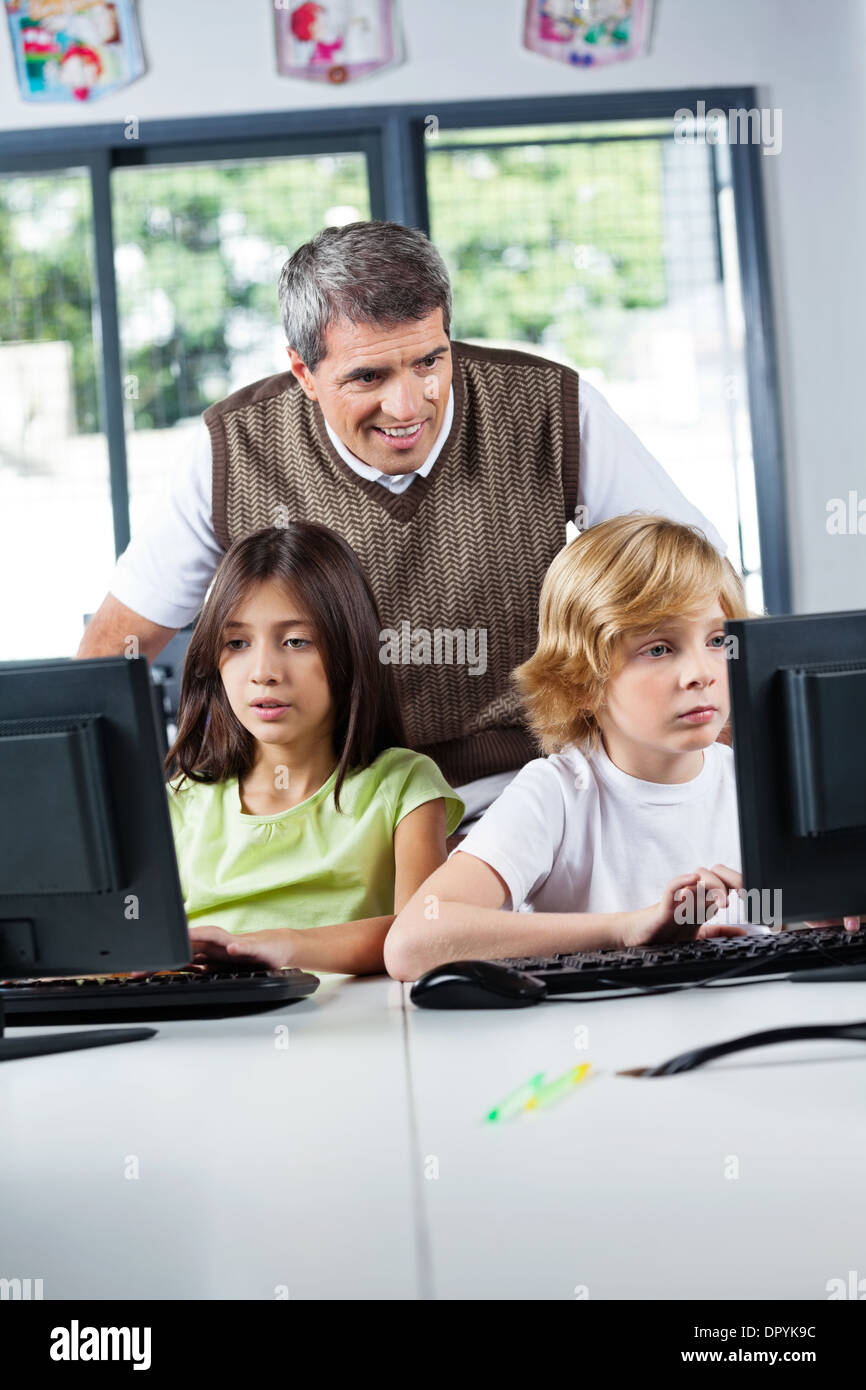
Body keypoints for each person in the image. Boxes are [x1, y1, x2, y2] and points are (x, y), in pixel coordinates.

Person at [78, 220, 729, 828]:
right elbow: (112, 653)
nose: (407, 404)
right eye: (369, 375)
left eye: (428, 361)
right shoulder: (235, 446)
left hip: (530, 784)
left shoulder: (549, 407)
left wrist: (730, 798)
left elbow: (705, 591)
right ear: (304, 371)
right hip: (332, 801)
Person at [383, 514, 862, 982]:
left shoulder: (762, 782)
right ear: (582, 682)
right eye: (659, 648)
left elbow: (794, 923)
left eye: (717, 640)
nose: (703, 673)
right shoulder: (556, 794)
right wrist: (628, 929)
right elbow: (411, 944)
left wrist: (820, 919)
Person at [165, 521, 464, 976]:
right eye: (237, 643)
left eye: (296, 641)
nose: (263, 671)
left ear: (349, 652)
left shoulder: (404, 786)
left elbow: (422, 936)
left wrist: (287, 946)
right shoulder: (180, 803)